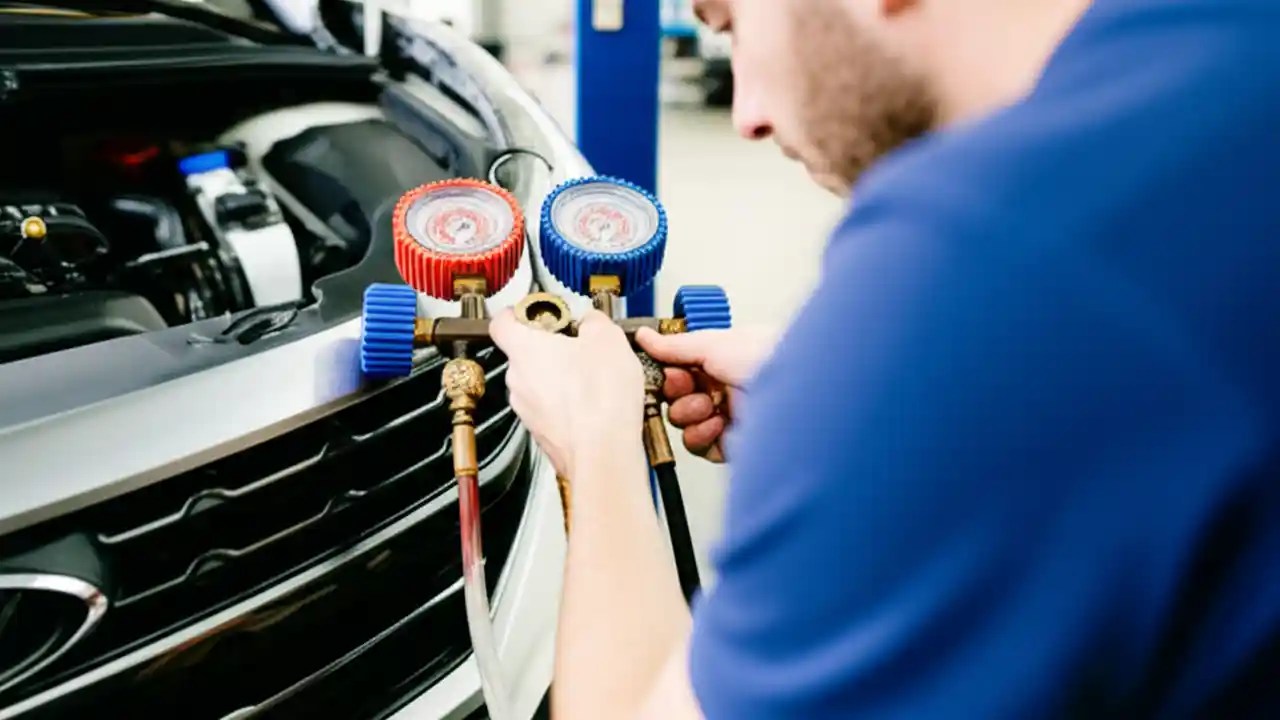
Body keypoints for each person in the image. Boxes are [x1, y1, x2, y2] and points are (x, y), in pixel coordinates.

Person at [489, 0, 1280, 716]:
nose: (747, 117)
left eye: (729, 23)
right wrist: (840, 400)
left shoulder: (978, 262)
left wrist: (595, 449)